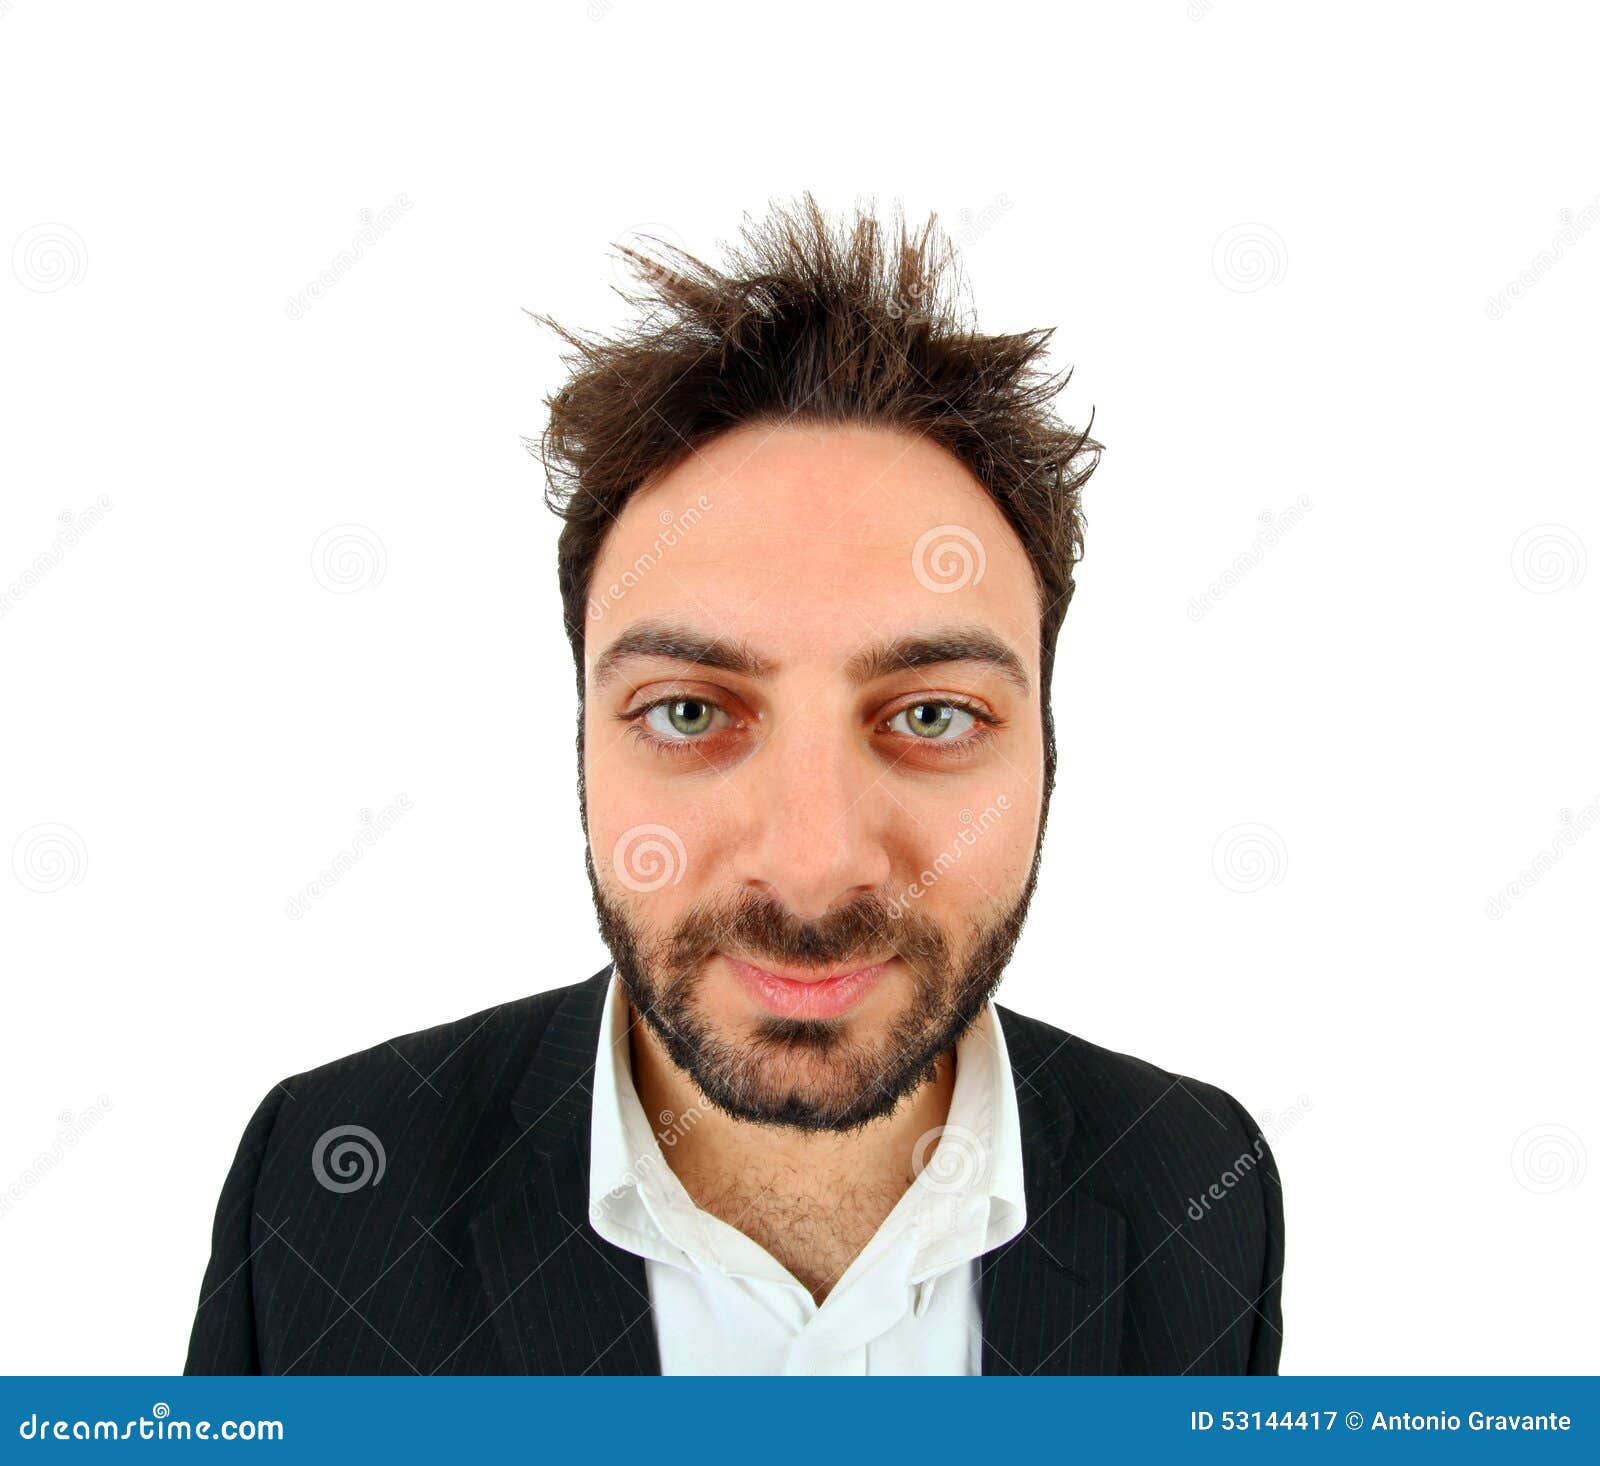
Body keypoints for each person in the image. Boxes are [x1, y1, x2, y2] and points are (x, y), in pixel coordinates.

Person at [186, 195, 1283, 1376]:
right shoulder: (324, 1184)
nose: (811, 867)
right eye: (691, 712)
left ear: (1050, 749)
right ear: (580, 742)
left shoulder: (1198, 1179)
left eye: (930, 715)